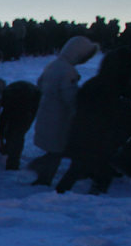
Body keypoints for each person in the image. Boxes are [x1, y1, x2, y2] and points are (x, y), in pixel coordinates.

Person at [55, 46, 131, 194]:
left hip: (87, 133)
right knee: (100, 168)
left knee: (81, 167)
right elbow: (112, 109)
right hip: (98, 136)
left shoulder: (98, 82)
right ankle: (90, 196)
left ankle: (63, 194)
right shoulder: (108, 86)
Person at [30, 36, 98, 186]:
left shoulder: (53, 64)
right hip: (59, 116)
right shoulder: (68, 70)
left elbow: (40, 84)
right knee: (57, 150)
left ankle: (39, 170)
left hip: (46, 110)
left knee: (52, 148)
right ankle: (44, 179)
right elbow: (69, 97)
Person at [0, 81, 41, 171]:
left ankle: (12, 163)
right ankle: (10, 150)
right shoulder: (8, 97)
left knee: (18, 133)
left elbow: (28, 119)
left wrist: (2, 141)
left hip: (31, 98)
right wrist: (1, 141)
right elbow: (3, 119)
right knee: (17, 131)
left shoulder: (32, 98)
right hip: (20, 95)